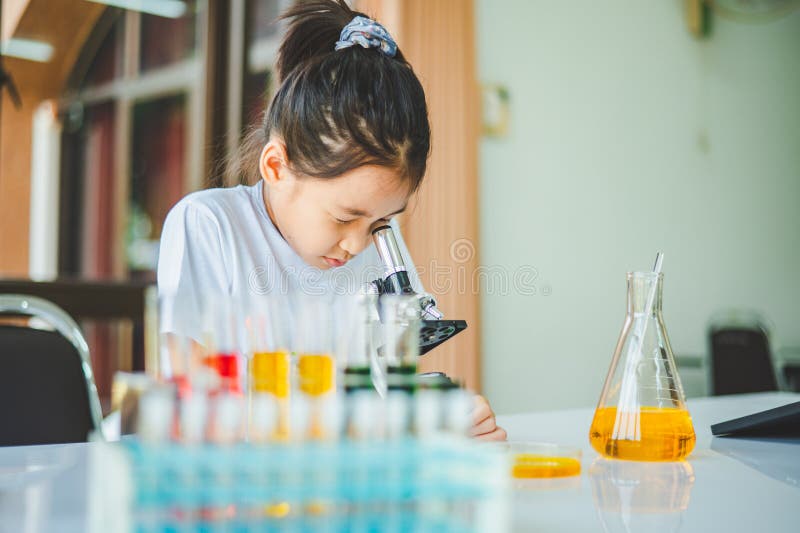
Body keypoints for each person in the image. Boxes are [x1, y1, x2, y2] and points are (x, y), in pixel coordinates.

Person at [157, 0, 505, 441]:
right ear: (277, 167)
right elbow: (189, 405)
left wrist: (443, 423)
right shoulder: (210, 226)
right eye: (344, 217)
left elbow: (387, 391)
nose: (358, 245)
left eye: (380, 221)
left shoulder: (378, 244)